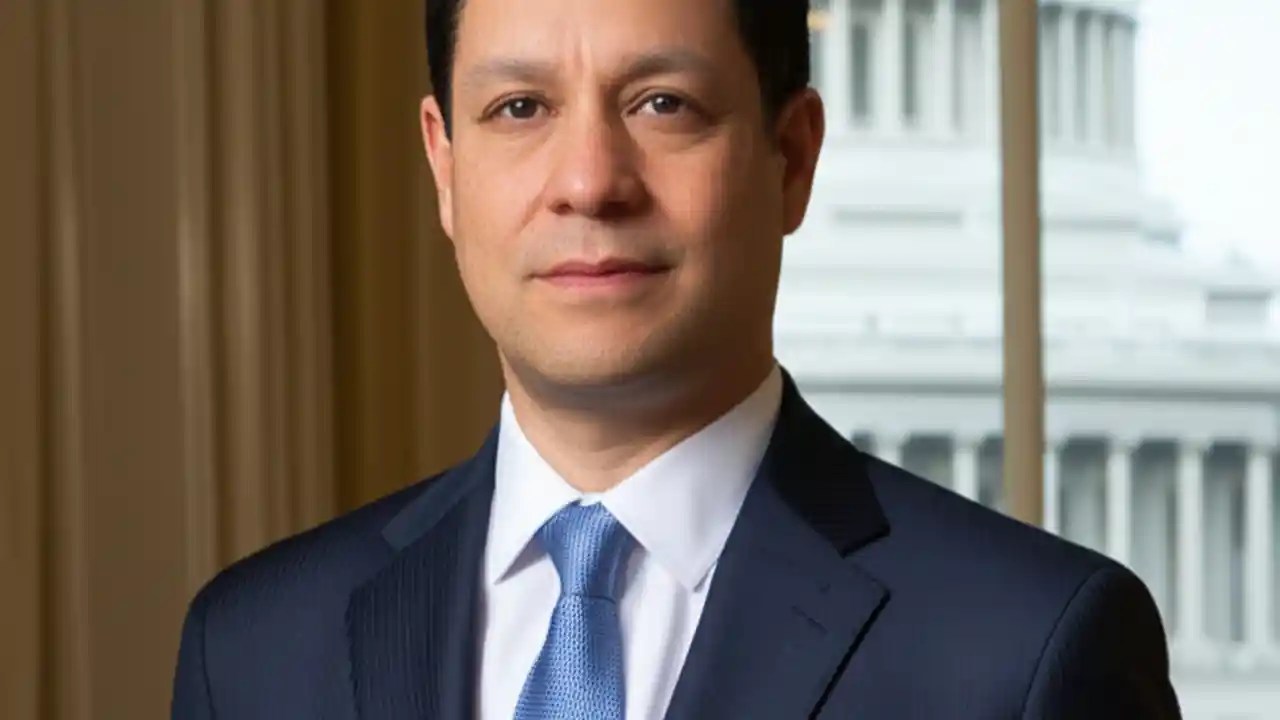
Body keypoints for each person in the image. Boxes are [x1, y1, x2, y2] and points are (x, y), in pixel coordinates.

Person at [170, 0, 1181, 717]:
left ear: (791, 157)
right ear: (443, 166)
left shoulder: (1025, 654)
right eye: (519, 108)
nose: (588, 183)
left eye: (662, 105)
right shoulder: (254, 649)